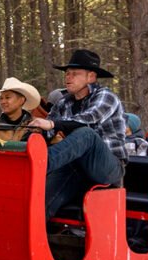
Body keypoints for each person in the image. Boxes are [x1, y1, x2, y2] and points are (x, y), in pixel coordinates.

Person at [26, 49, 127, 221]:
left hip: (108, 167)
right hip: (75, 166)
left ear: (91, 77)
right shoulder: (63, 102)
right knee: (37, 203)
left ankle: (35, 166)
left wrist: (50, 124)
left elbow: (89, 119)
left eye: (75, 74)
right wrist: (38, 130)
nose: (68, 77)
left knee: (86, 133)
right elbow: (49, 129)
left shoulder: (106, 96)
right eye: (67, 73)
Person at [0, 77, 43, 142]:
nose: (3, 102)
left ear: (21, 100)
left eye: (7, 97)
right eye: (1, 98)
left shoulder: (36, 124)